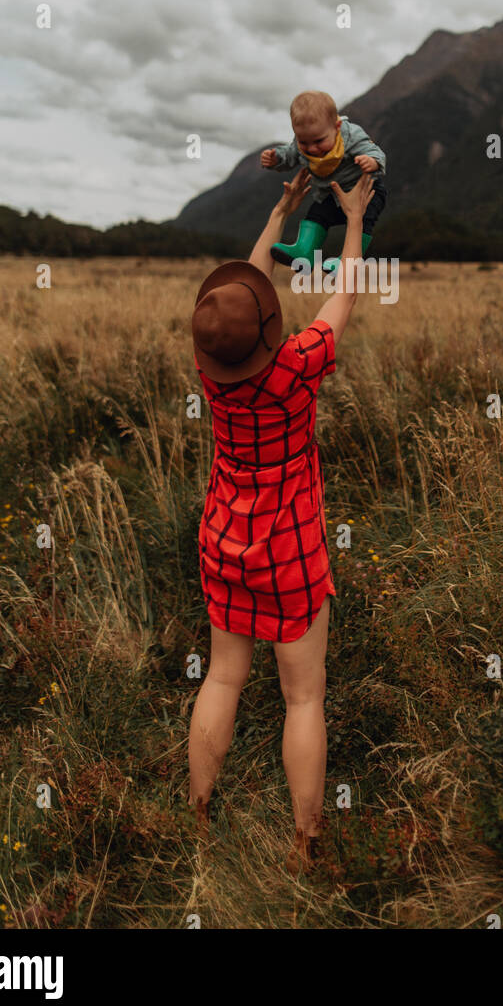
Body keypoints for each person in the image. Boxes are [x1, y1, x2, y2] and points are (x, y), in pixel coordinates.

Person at [188, 165, 376, 876]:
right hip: (290, 549)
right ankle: (304, 847)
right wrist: (351, 218)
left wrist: (280, 212)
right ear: (269, 326)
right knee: (304, 698)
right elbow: (344, 297)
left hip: (222, 542)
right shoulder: (296, 365)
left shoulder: (211, 369)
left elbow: (236, 297)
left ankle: (202, 821)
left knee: (223, 680)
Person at [260, 89, 388, 274]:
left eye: (319, 141)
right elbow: (288, 155)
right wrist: (275, 159)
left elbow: (376, 152)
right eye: (304, 142)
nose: (312, 148)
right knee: (316, 214)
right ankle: (304, 252)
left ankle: (348, 260)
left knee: (364, 220)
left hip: (365, 192)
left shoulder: (351, 135)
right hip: (331, 195)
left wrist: (372, 162)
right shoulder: (301, 143)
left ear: (336, 127)